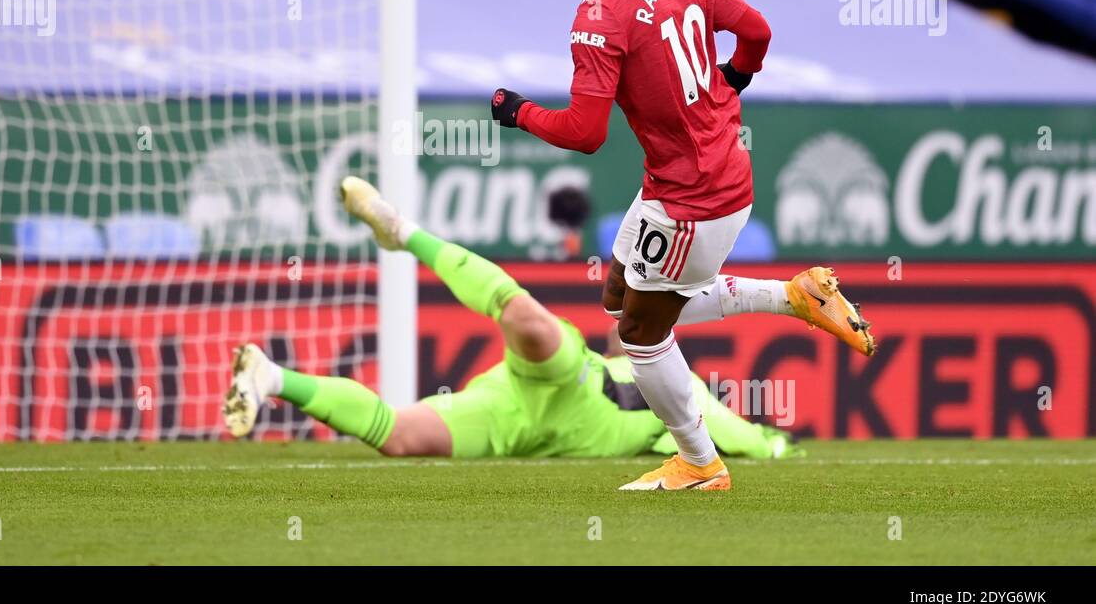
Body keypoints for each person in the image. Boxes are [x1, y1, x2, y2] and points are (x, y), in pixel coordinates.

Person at [491, 0, 874, 490]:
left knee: (640, 334)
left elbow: (585, 134)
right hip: (710, 174)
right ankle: (794, 296)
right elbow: (756, 30)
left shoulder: (599, 14)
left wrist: (518, 111)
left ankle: (700, 463)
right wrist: (732, 80)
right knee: (619, 296)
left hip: (694, 199)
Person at [224, 178, 879, 482]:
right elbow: (737, 432)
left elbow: (728, 431)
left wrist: (767, 446)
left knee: (399, 437)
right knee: (529, 322)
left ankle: (271, 375)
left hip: (519, 424)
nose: (636, 330)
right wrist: (773, 447)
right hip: (569, 382)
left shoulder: (680, 395)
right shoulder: (636, 374)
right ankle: (403, 233)